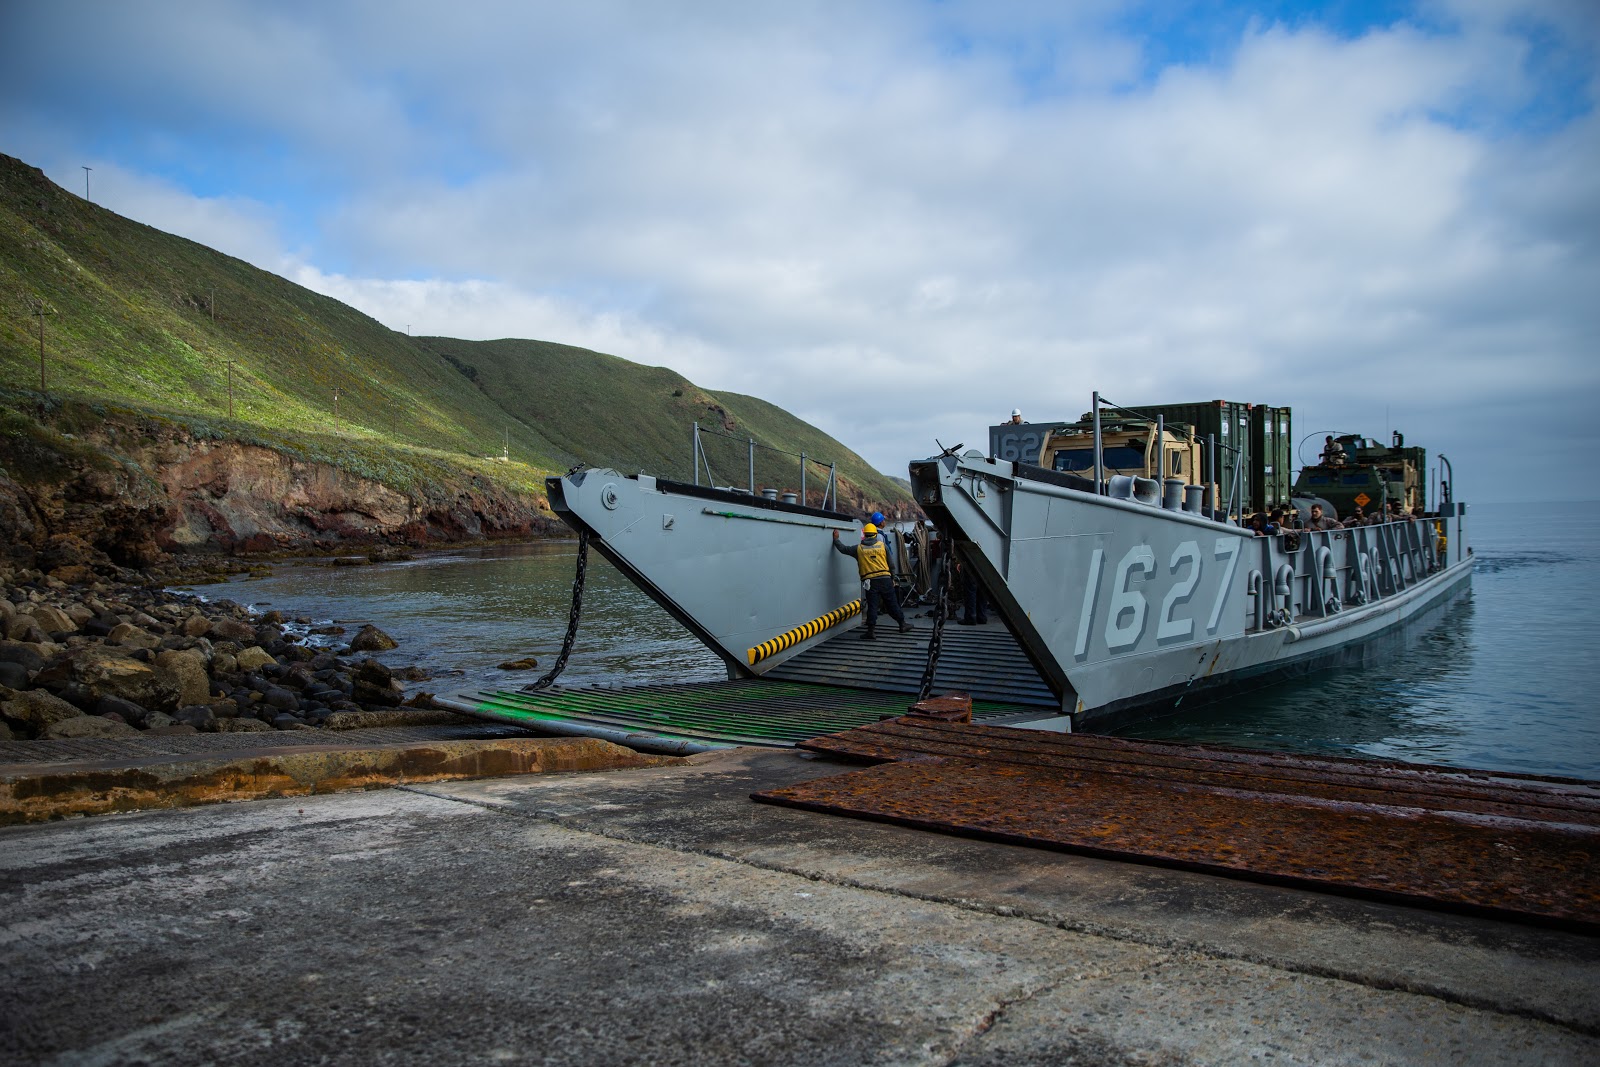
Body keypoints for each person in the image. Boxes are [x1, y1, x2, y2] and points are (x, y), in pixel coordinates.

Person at [833, 523, 911, 639]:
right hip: (885, 580)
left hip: (870, 582)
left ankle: (871, 631)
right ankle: (902, 624)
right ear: (875, 534)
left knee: (873, 606)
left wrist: (836, 539)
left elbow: (843, 549)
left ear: (864, 535)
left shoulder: (858, 549)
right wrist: (893, 577)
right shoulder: (882, 546)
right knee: (892, 604)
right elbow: (891, 564)